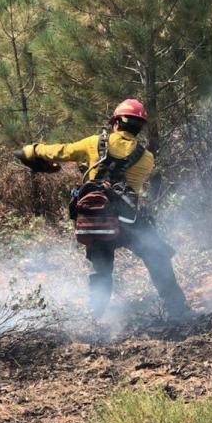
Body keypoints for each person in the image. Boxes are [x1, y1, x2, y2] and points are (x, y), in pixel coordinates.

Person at [17, 99, 190, 319]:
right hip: (128, 223)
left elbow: (61, 151)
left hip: (96, 221)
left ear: (116, 123)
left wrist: (33, 150)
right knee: (157, 256)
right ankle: (177, 309)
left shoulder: (93, 143)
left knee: (101, 271)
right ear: (139, 127)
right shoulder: (147, 159)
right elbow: (129, 182)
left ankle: (96, 317)